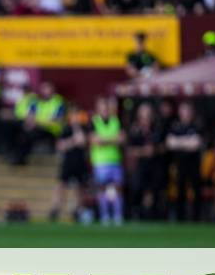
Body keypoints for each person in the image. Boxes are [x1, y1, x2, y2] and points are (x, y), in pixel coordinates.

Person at [49, 109, 90, 222]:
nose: (75, 118)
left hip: (80, 162)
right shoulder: (65, 130)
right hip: (68, 162)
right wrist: (72, 141)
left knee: (79, 188)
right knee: (61, 185)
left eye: (77, 116)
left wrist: (76, 130)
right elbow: (60, 146)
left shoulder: (83, 128)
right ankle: (55, 209)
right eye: (73, 116)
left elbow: (82, 142)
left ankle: (77, 210)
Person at [90, 96, 125, 225]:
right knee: (102, 189)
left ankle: (117, 216)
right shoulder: (94, 122)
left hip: (115, 160)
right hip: (100, 162)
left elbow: (122, 139)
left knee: (117, 188)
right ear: (98, 109)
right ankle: (105, 215)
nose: (104, 109)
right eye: (102, 107)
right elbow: (94, 140)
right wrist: (113, 139)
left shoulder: (116, 121)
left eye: (106, 107)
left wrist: (104, 140)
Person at [166, 101, 204, 221]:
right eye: (183, 111)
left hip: (194, 164)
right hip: (180, 164)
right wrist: (187, 141)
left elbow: (196, 144)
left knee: (196, 190)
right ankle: (180, 218)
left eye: (187, 111)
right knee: (180, 190)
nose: (185, 114)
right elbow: (169, 143)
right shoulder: (175, 126)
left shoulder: (196, 126)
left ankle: (196, 218)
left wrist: (179, 142)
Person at [125, 102, 161, 220]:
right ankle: (137, 213)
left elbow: (157, 148)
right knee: (137, 189)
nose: (145, 119)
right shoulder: (134, 130)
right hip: (139, 167)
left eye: (148, 115)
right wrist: (143, 151)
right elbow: (130, 149)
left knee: (152, 192)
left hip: (154, 166)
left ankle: (150, 215)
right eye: (143, 116)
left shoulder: (156, 129)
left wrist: (150, 151)